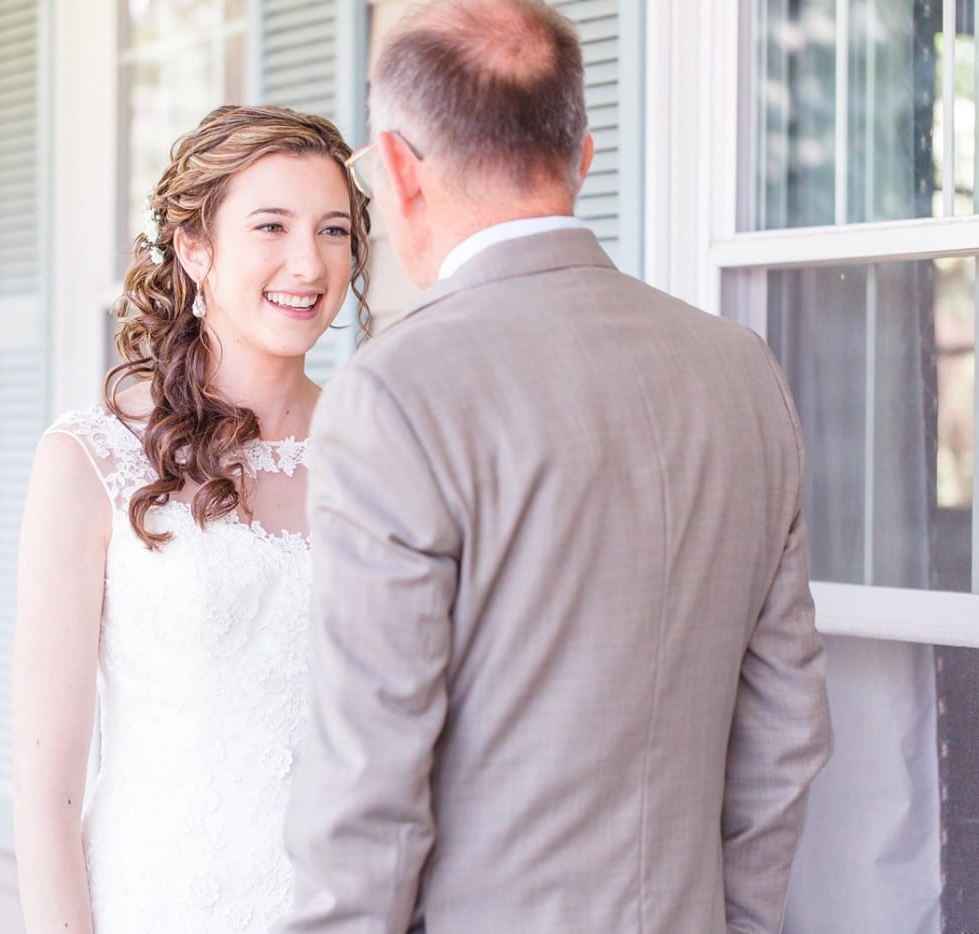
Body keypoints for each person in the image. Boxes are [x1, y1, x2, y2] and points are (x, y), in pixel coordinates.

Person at [277, 2, 833, 932]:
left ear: (401, 173)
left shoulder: (396, 394)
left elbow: (364, 796)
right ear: (582, 154)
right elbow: (785, 736)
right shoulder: (745, 371)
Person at [10, 104, 371, 934]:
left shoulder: (382, 449)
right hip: (164, 901)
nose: (307, 264)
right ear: (195, 247)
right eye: (270, 226)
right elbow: (46, 785)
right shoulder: (92, 461)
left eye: (333, 231)